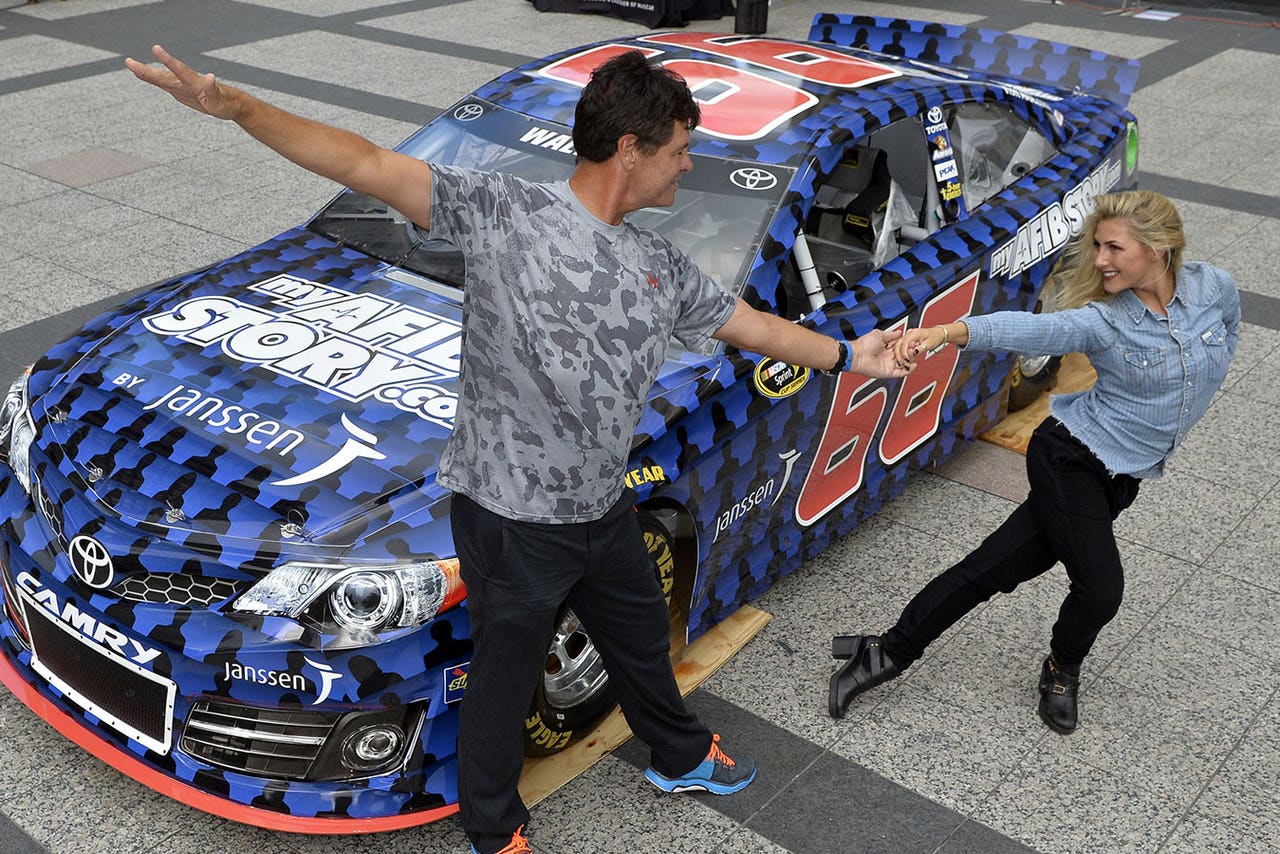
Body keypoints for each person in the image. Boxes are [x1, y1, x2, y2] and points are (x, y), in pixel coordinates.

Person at [125, 46, 912, 854]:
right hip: (511, 517)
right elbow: (365, 162)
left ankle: (676, 755)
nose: (685, 169)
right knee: (504, 679)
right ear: (630, 149)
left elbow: (753, 327)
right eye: (679, 152)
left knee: (640, 635)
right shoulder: (505, 214)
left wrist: (854, 356)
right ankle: (494, 830)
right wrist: (242, 109)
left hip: (601, 502)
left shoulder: (657, 262)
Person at [827, 190, 1240, 735]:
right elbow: (1028, 328)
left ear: (1159, 249)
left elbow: (1229, 328)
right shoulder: (1105, 320)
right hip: (1071, 458)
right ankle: (1061, 670)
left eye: (1114, 247)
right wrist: (945, 334)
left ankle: (884, 650)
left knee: (997, 565)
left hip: (1122, 476)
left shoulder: (1214, 287)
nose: (1100, 260)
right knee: (1100, 587)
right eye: (1096, 246)